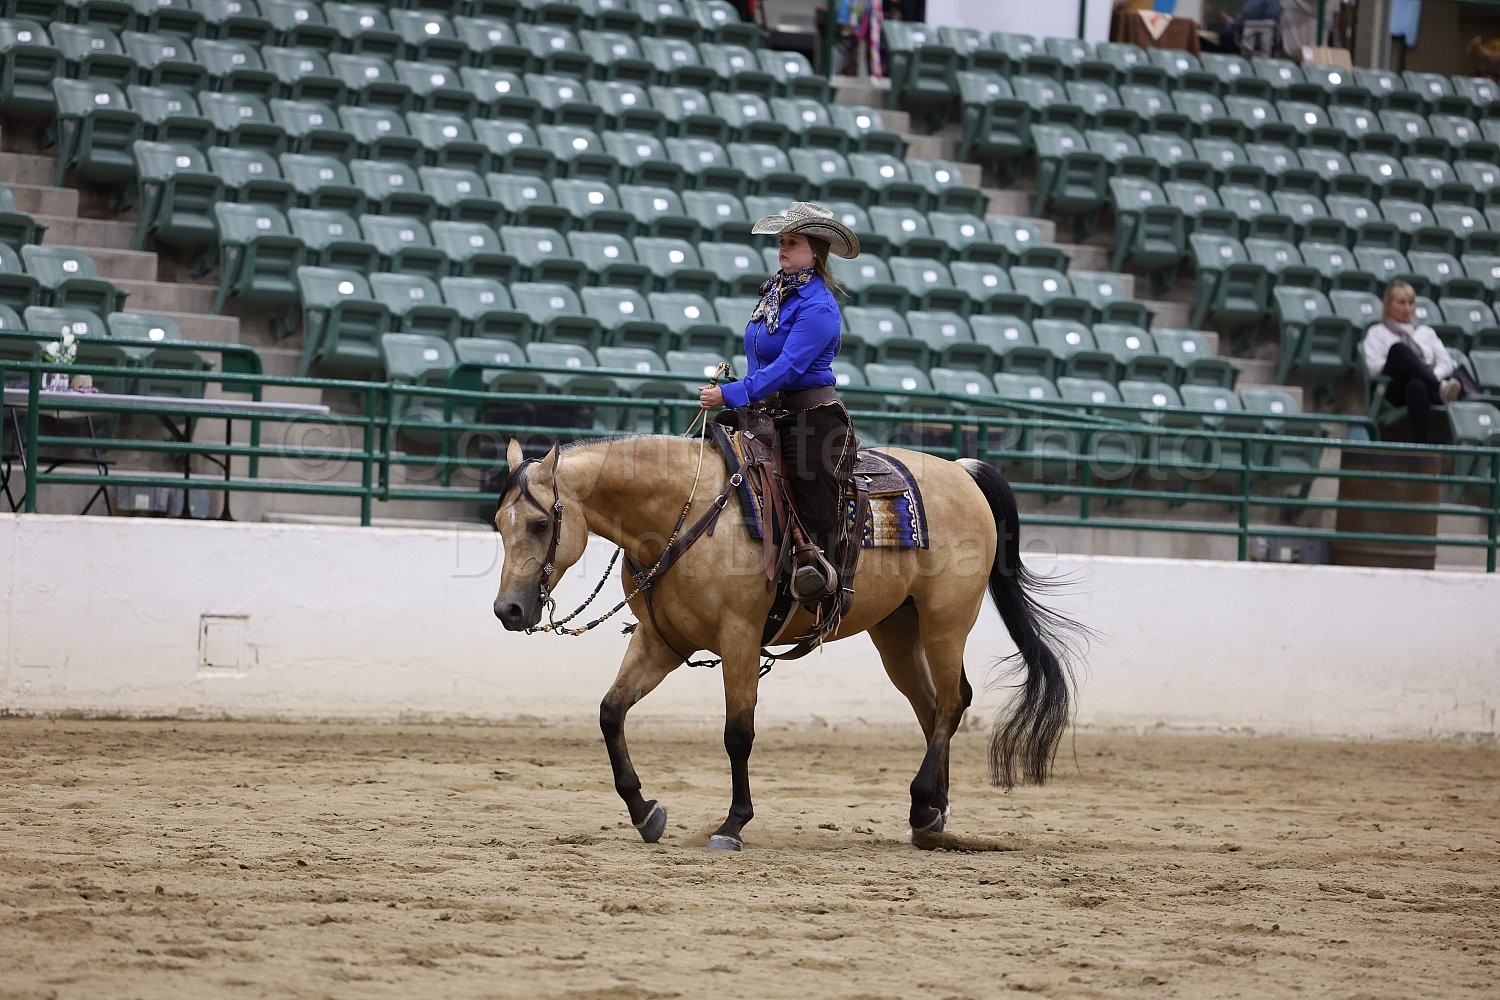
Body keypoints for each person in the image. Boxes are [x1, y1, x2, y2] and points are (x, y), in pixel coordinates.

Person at [698, 202, 861, 604]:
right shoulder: (777, 293)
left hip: (810, 415)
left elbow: (789, 367)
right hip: (768, 409)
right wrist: (744, 394)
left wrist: (732, 394)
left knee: (811, 479)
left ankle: (822, 574)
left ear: (816, 251)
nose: (782, 249)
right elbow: (763, 358)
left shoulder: (819, 306)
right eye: (782, 242)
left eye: (793, 242)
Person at [1361, 280, 1462, 444]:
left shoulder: (1426, 332)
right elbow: (1373, 368)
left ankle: (1419, 446)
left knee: (1417, 384)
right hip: (1393, 388)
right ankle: (1440, 387)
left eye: (1410, 303)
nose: (1407, 308)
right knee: (1398, 350)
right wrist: (1405, 364)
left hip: (1425, 387)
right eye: (1401, 303)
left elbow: (1446, 363)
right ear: (1388, 305)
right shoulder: (1377, 332)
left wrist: (1426, 375)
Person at [1215, 0, 1282, 54]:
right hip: (1271, 39)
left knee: (1225, 34)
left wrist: (1232, 23)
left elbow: (1245, 19)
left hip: (1253, 36)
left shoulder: (1254, 2)